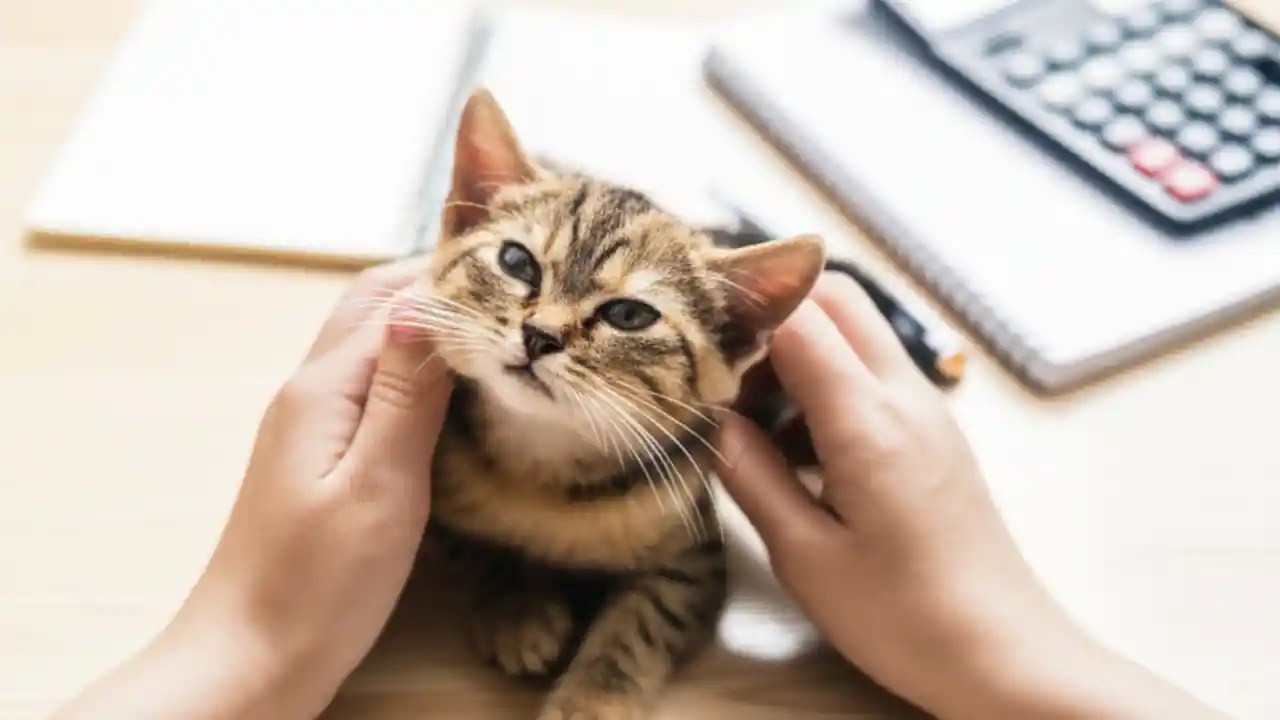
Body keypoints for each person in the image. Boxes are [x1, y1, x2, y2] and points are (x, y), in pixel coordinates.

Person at [53, 259, 1223, 720]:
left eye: (619, 315)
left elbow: (686, 562)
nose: (544, 327)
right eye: (517, 270)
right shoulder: (439, 433)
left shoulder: (663, 469)